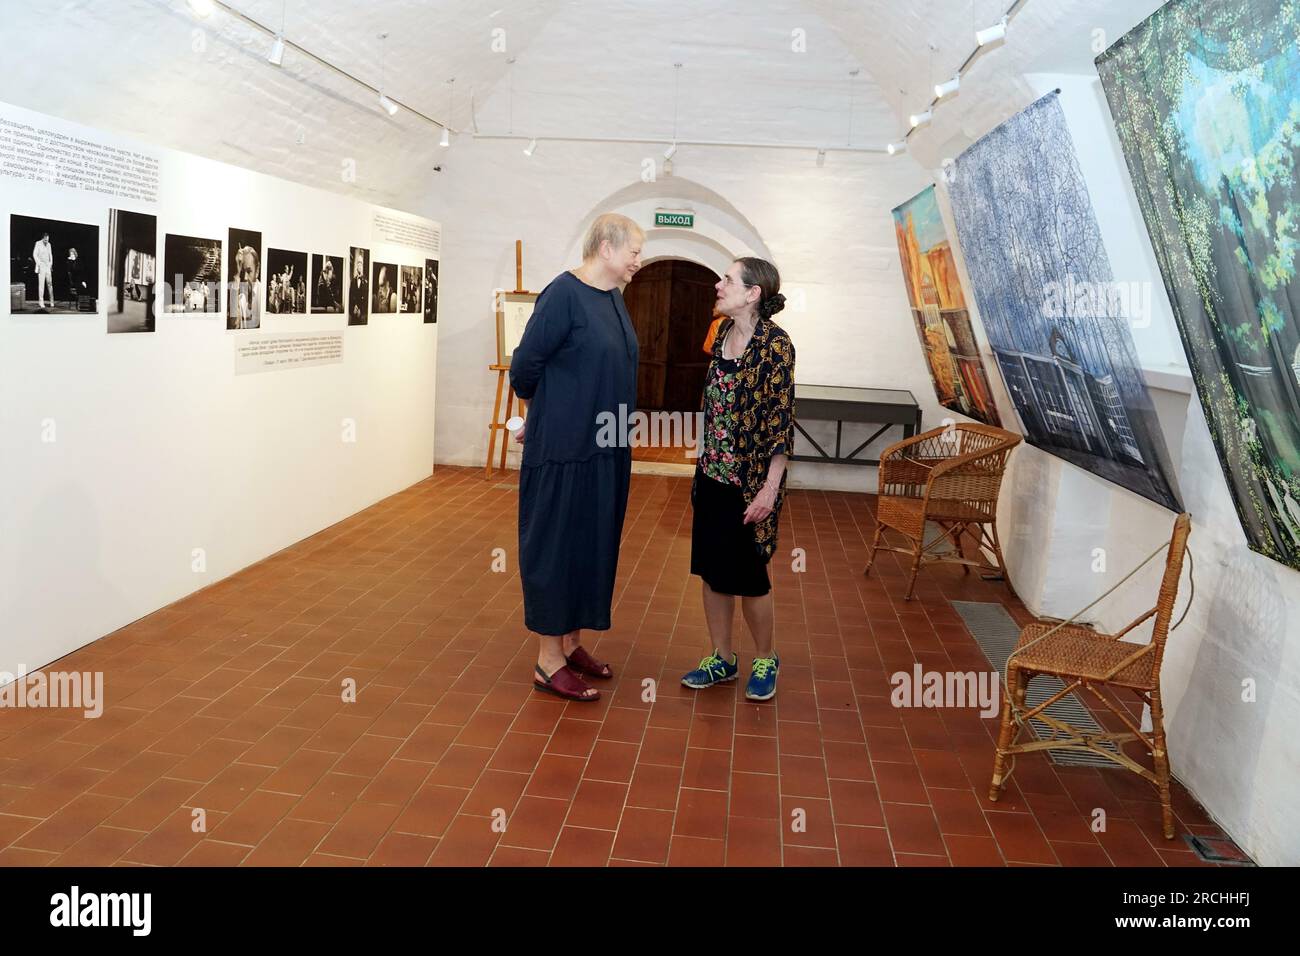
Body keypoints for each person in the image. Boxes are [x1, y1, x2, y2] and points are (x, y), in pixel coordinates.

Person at [510, 213, 643, 702]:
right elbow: (525, 367)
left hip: (605, 450)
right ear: (606, 248)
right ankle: (548, 661)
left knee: (592, 545)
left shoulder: (612, 299)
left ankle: (570, 643)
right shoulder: (563, 294)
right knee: (558, 547)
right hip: (566, 450)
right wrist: (546, 415)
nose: (638, 260)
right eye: (633, 250)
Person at [681, 257, 794, 702]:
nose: (717, 284)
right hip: (711, 475)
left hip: (751, 483)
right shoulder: (723, 335)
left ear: (753, 294)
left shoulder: (775, 346)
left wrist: (769, 488)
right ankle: (722, 657)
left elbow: (781, 423)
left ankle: (765, 657)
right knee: (712, 571)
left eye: (727, 279)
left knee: (750, 576)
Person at [33, 232, 53, 309]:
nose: (46, 241)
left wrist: (51, 263)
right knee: (41, 285)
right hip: (41, 266)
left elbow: (50, 254)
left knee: (50, 284)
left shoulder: (49, 244)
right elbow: (34, 254)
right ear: (43, 238)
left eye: (47, 240)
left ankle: (51, 301)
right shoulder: (38, 243)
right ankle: (41, 302)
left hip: (47, 265)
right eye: (45, 240)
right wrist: (39, 263)